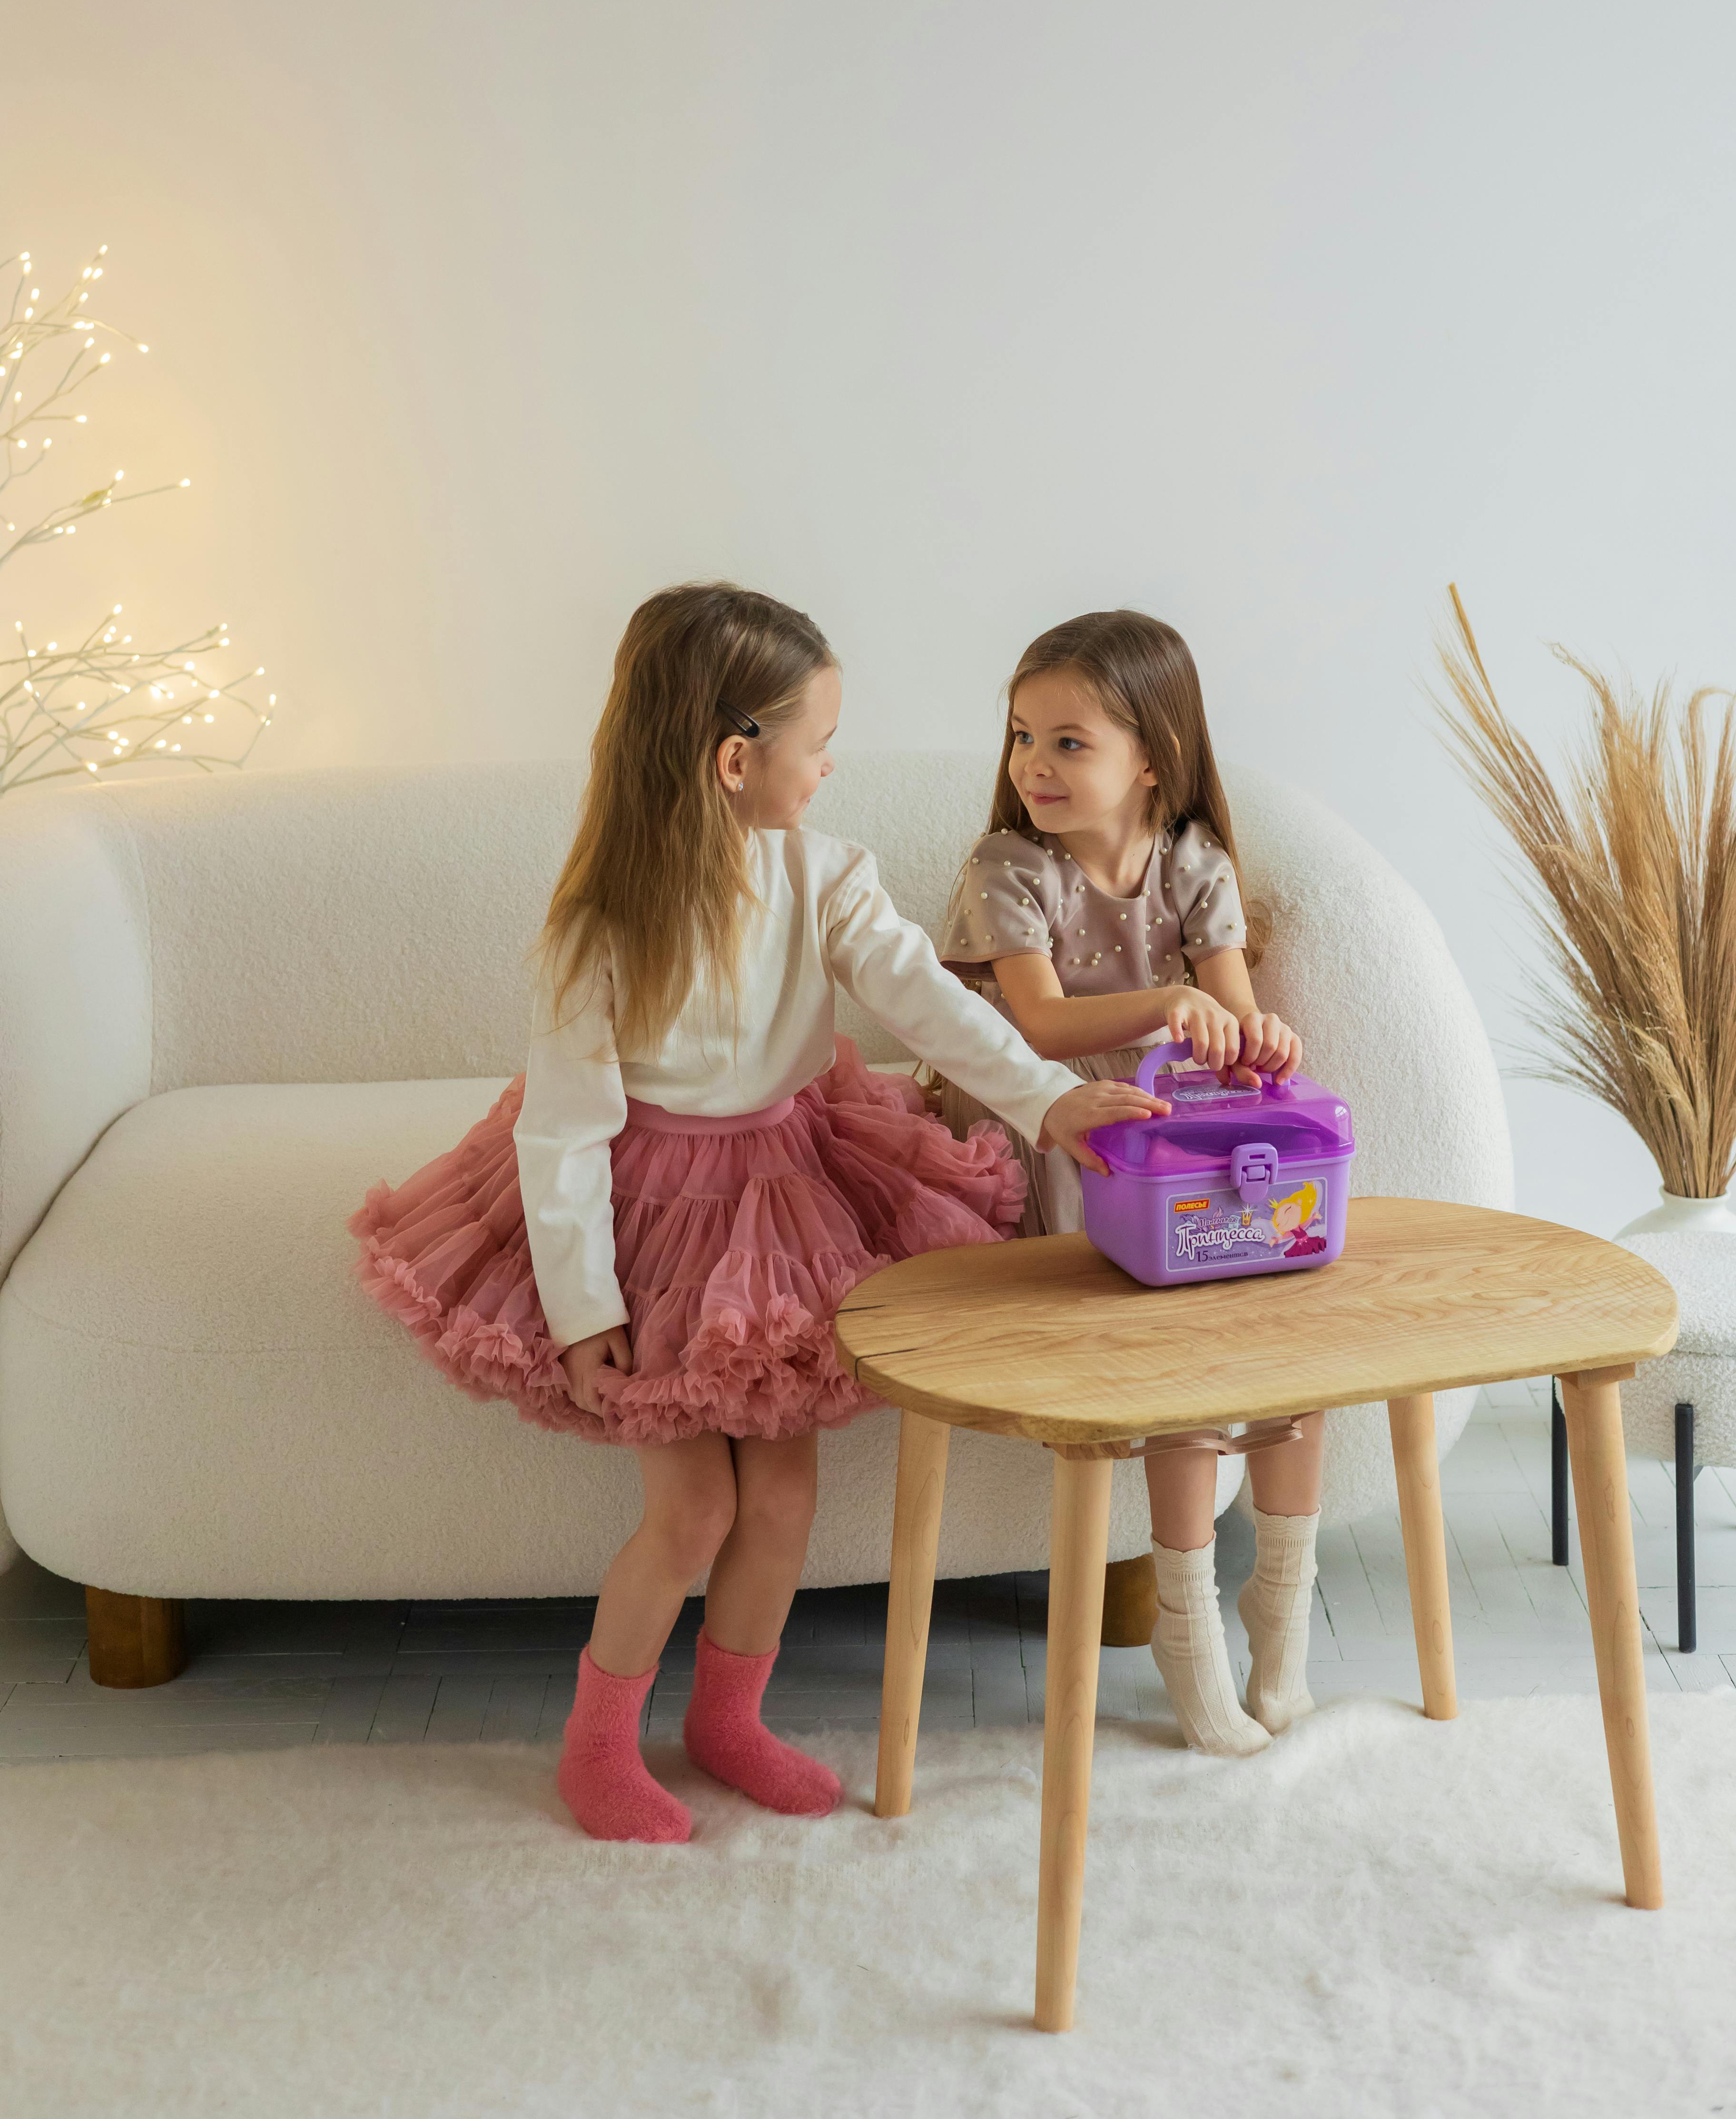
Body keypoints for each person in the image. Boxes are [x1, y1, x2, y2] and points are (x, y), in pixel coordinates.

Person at [353, 582, 1155, 1841]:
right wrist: (582, 1312)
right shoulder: (599, 927)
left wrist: (1053, 1102)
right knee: (696, 1510)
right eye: (816, 743)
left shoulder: (825, 877)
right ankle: (599, 1745)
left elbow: (929, 1005)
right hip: (644, 1221)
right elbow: (562, 1130)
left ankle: (729, 1720)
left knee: (780, 1501)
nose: (831, 767)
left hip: (787, 1198)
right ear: (738, 759)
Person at [937, 608, 1319, 1759]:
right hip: (1061, 1125)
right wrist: (1167, 1006)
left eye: (1068, 743)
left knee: (1299, 1359)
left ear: (1151, 757)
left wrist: (1266, 1044)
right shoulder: (1010, 869)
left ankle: (1280, 1617)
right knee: (1186, 1357)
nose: (1032, 767)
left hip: (1167, 1125)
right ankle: (1189, 1633)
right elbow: (1043, 1026)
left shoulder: (1195, 861)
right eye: (1021, 738)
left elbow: (1237, 1025)